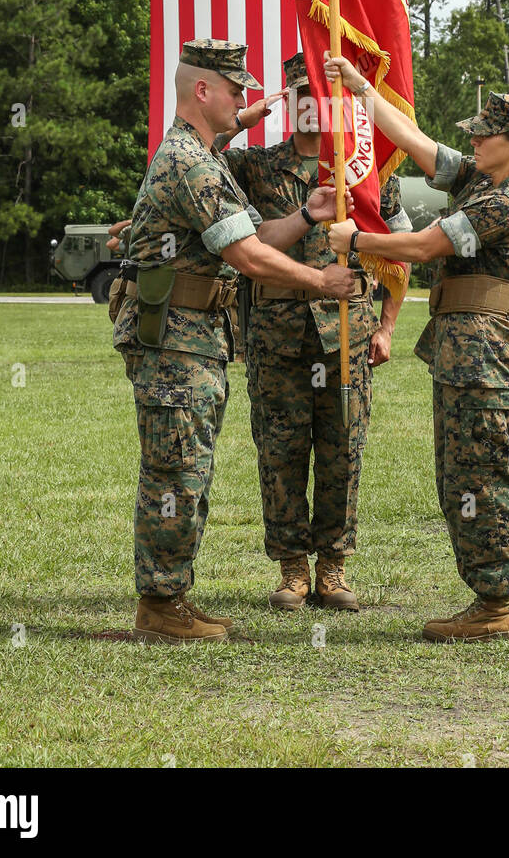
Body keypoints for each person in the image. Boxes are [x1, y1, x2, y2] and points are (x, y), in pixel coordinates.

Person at [112, 39, 356, 645]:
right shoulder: (190, 161)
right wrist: (321, 280)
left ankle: (170, 599)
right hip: (175, 340)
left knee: (187, 468)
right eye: (235, 89)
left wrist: (308, 214)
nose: (245, 99)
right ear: (202, 90)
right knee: (175, 472)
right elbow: (248, 256)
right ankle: (161, 605)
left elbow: (256, 233)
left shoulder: (203, 155)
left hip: (191, 338)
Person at [324, 56, 509, 643]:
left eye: (485, 133)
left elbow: (426, 246)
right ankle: (487, 599)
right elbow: (418, 144)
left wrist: (358, 239)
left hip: (486, 361)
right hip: (465, 357)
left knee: (480, 477)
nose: (472, 139)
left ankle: (496, 605)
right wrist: (362, 91)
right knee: (458, 478)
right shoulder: (484, 178)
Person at [214, 51, 411, 612]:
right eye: (300, 95)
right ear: (289, 101)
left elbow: (399, 254)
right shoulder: (255, 166)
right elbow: (197, 162)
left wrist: (388, 327)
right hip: (277, 335)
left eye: (321, 96)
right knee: (279, 451)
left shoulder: (360, 171)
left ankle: (334, 568)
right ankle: (292, 569)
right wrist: (240, 121)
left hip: (345, 334)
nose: (311, 106)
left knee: (342, 450)